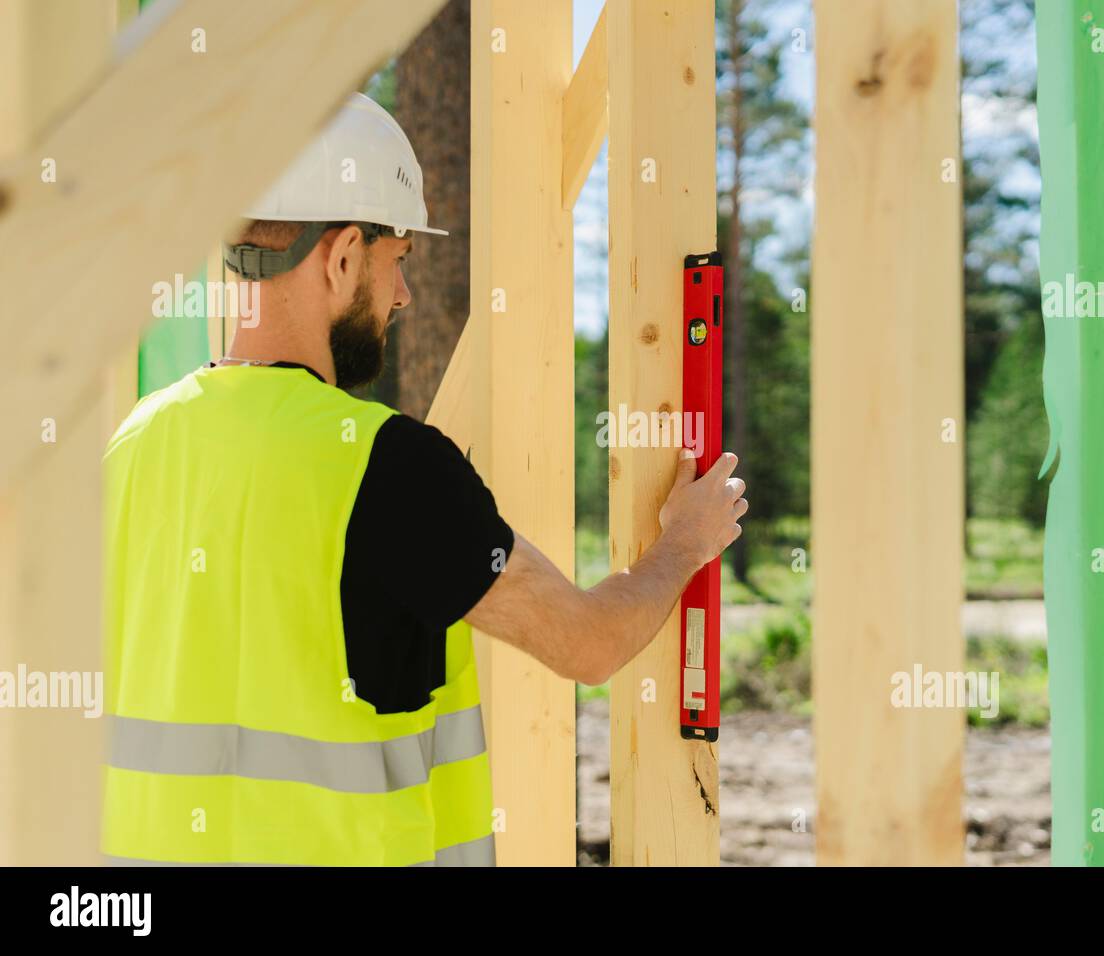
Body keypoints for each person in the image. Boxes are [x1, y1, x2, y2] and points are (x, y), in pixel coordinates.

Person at [100, 93, 746, 866]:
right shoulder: (384, 464)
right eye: (396, 261)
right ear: (342, 257)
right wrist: (683, 544)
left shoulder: (132, 443)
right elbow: (589, 644)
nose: (403, 295)